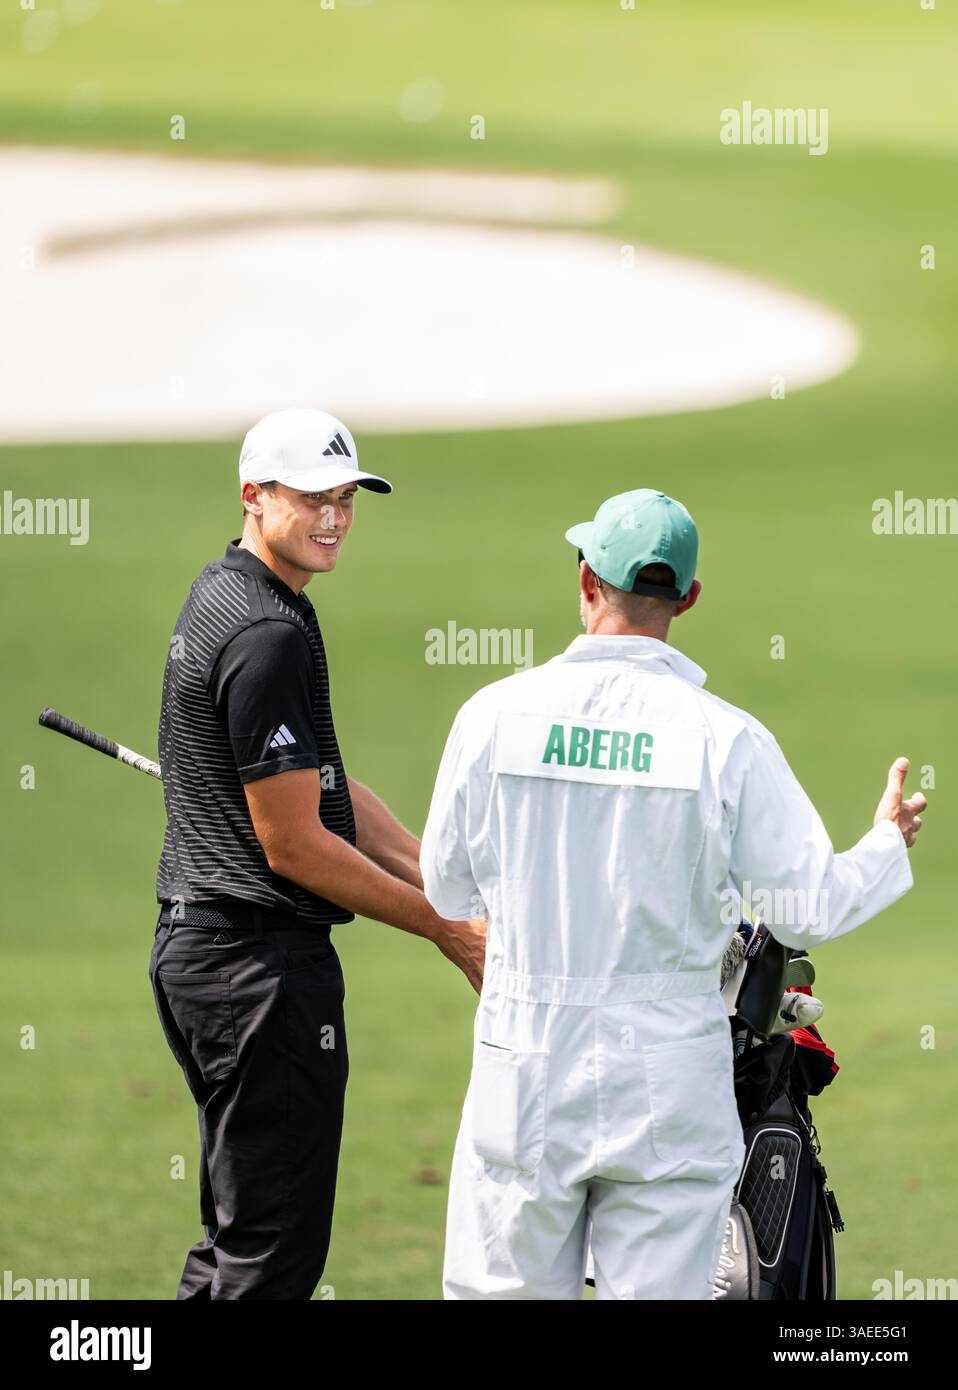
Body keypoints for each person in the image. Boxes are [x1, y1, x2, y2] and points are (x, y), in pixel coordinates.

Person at [420, 487, 925, 1301]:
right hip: (669, 1073)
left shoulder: (491, 717)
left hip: (525, 1063)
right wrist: (884, 845)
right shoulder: (727, 737)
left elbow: (446, 888)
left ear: (587, 579)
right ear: (687, 599)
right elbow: (807, 908)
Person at [149, 407, 485, 1300]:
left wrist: (444, 877)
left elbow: (325, 789)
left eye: (345, 498)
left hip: (210, 960)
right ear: (253, 495)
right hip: (254, 972)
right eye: (311, 498)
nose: (333, 518)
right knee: (271, 1258)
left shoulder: (230, 590)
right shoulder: (268, 635)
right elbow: (295, 845)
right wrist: (446, 928)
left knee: (239, 1245)